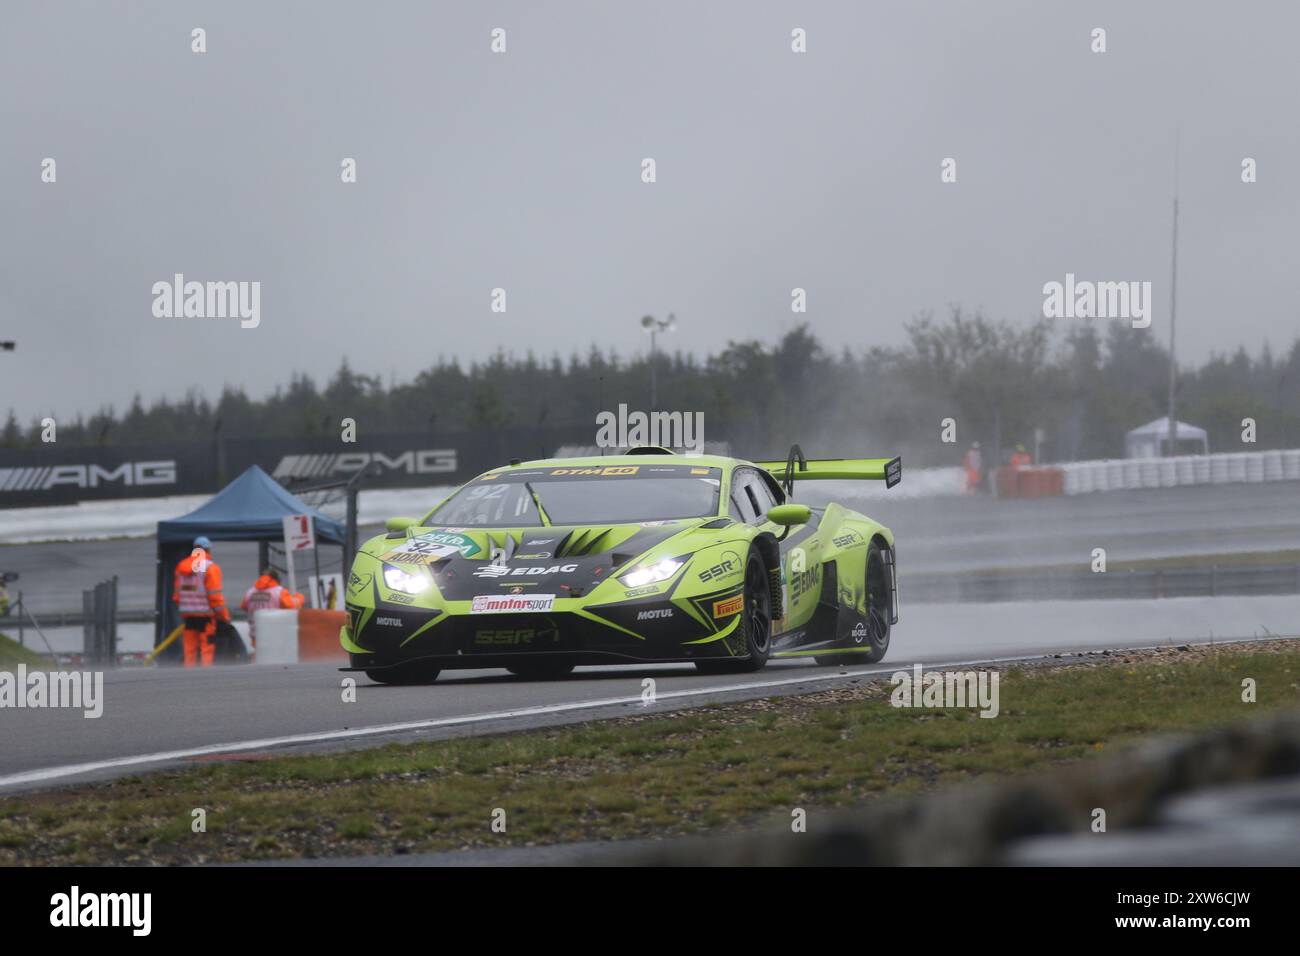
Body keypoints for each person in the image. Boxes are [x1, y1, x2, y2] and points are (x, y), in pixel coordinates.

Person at [173, 536, 230, 668]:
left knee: (189, 650)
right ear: (208, 549)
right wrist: (224, 616)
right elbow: (215, 597)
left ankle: (188, 676)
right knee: (207, 649)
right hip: (206, 616)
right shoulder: (210, 568)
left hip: (188, 616)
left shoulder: (180, 567)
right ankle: (205, 677)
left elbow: (177, 596)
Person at [240, 568, 304, 646]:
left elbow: (244, 606)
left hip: (256, 636)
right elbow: (293, 606)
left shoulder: (249, 592)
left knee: (258, 656)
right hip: (274, 638)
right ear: (276, 580)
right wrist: (299, 597)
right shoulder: (279, 592)